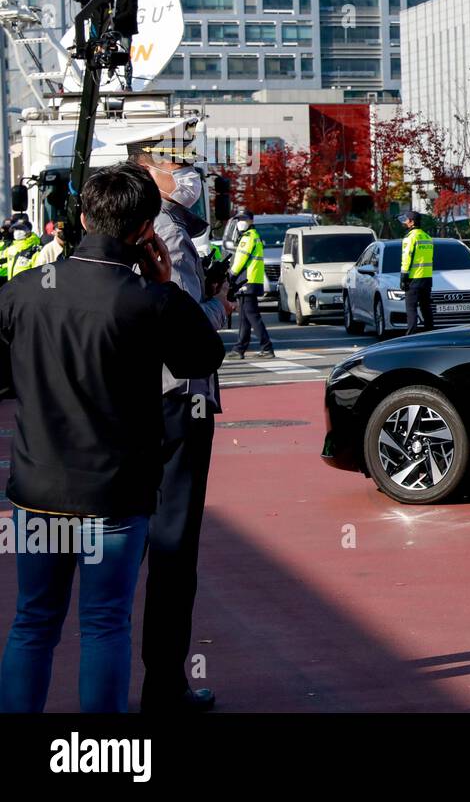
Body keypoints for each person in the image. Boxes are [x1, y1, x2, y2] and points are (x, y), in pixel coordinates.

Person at [0, 164, 225, 713]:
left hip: (38, 488)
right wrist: (167, 283)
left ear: (80, 218)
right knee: (104, 625)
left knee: (33, 620)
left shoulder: (22, 292)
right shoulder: (149, 300)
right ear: (146, 230)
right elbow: (202, 357)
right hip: (115, 492)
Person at [137, 146, 234, 712]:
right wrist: (218, 304)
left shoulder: (145, 230)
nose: (188, 172)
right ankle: (164, 685)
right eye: (175, 162)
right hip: (178, 403)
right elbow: (189, 330)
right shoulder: (169, 234)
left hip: (138, 405)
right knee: (172, 547)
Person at [226, 208, 274, 359]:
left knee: (252, 316)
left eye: (243, 220)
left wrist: (231, 275)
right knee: (244, 317)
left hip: (247, 280)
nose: (240, 223)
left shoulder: (248, 237)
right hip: (251, 280)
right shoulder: (253, 236)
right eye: (239, 220)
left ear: (251, 221)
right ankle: (239, 348)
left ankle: (266, 347)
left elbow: (241, 259)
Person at [398, 210, 435, 336]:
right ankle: (430, 333)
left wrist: (403, 276)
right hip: (427, 278)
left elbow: (406, 257)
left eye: (406, 219)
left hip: (414, 278)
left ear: (412, 222)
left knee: (411, 308)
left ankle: (411, 335)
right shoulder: (427, 237)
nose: (404, 222)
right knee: (426, 308)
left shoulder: (410, 238)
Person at [107, 0, 138, 91]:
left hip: (125, 29)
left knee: (125, 55)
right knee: (109, 48)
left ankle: (128, 83)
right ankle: (111, 69)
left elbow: (130, 12)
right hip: (113, 29)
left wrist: (115, 19)